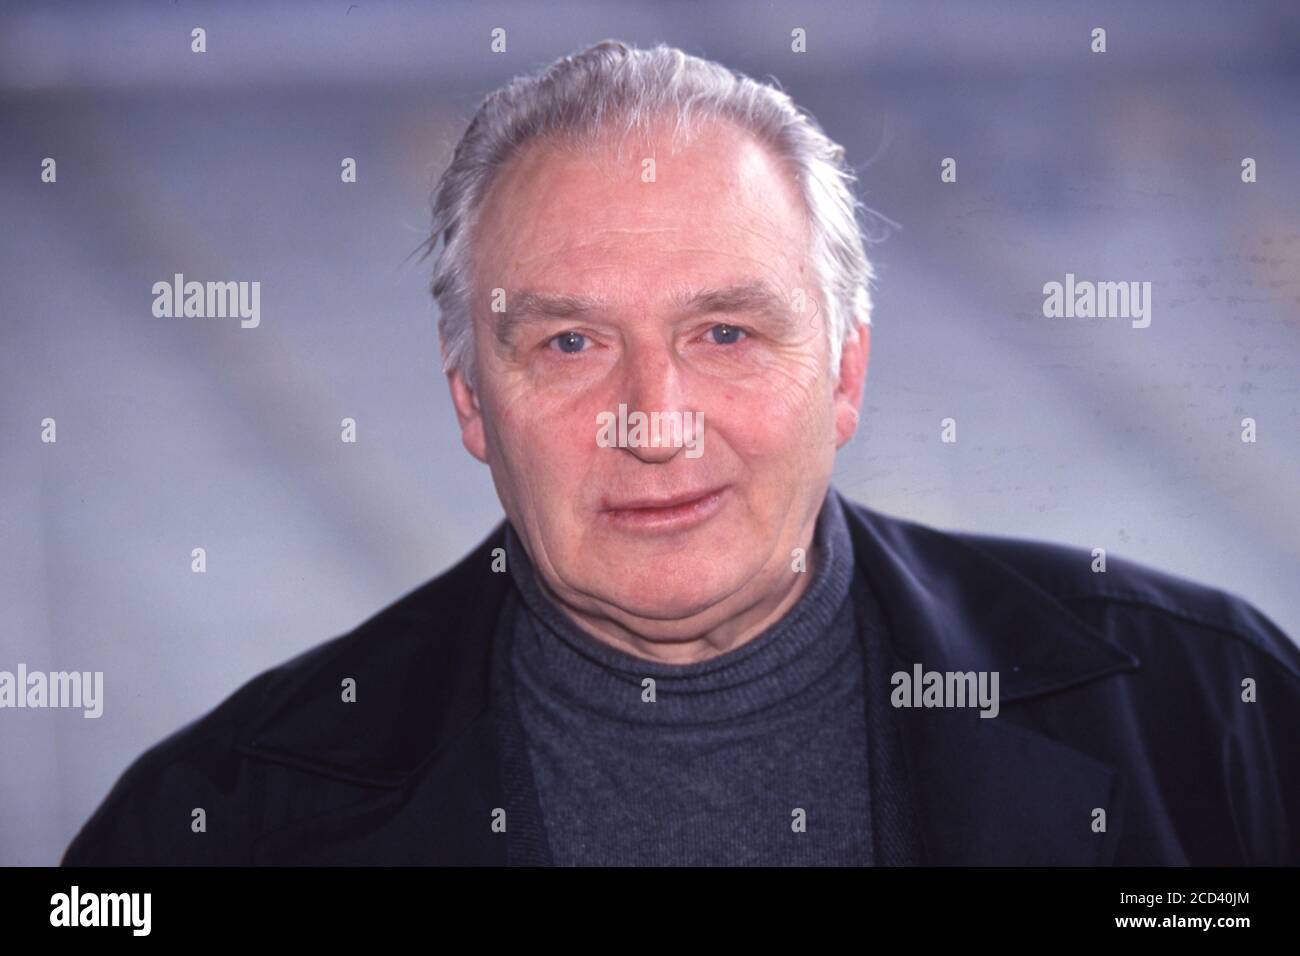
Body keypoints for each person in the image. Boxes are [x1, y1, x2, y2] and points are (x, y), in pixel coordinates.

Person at [63, 40, 1300, 866]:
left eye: (723, 330)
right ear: (471, 404)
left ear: (846, 372)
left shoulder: (1209, 711)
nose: (653, 419)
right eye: (567, 343)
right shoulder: (214, 824)